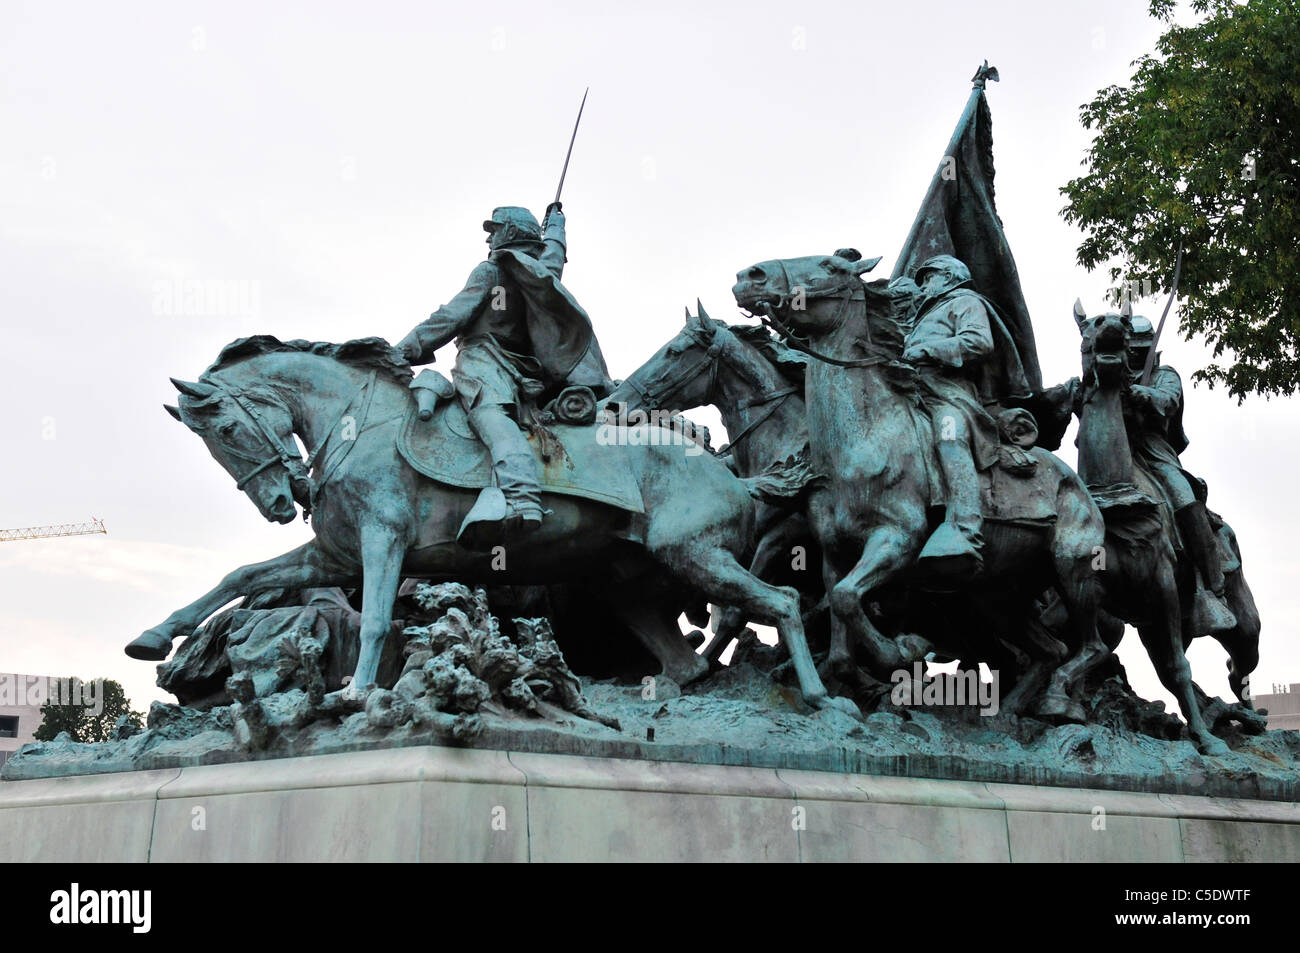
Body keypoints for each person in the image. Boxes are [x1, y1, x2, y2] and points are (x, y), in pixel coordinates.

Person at [397, 204, 612, 548]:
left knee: (491, 417)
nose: (489, 236)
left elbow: (451, 317)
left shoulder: (491, 272)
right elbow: (554, 255)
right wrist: (556, 225)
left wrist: (404, 350)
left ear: (509, 233)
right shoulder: (538, 271)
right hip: (523, 369)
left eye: (494, 230)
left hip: (485, 362)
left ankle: (522, 497)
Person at [900, 255, 1033, 579]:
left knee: (948, 435)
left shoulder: (965, 301)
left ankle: (964, 528)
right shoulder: (920, 317)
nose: (924, 286)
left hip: (949, 392)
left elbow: (979, 341)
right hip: (910, 391)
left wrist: (929, 350)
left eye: (927, 279)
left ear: (947, 276)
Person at [1122, 315, 1236, 632]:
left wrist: (1143, 394)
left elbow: (1168, 401)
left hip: (1155, 452)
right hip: (1118, 450)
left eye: (1142, 348)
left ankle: (1214, 588)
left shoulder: (1164, 374)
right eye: (1132, 348)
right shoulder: (1115, 372)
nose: (1135, 354)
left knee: (1185, 502)